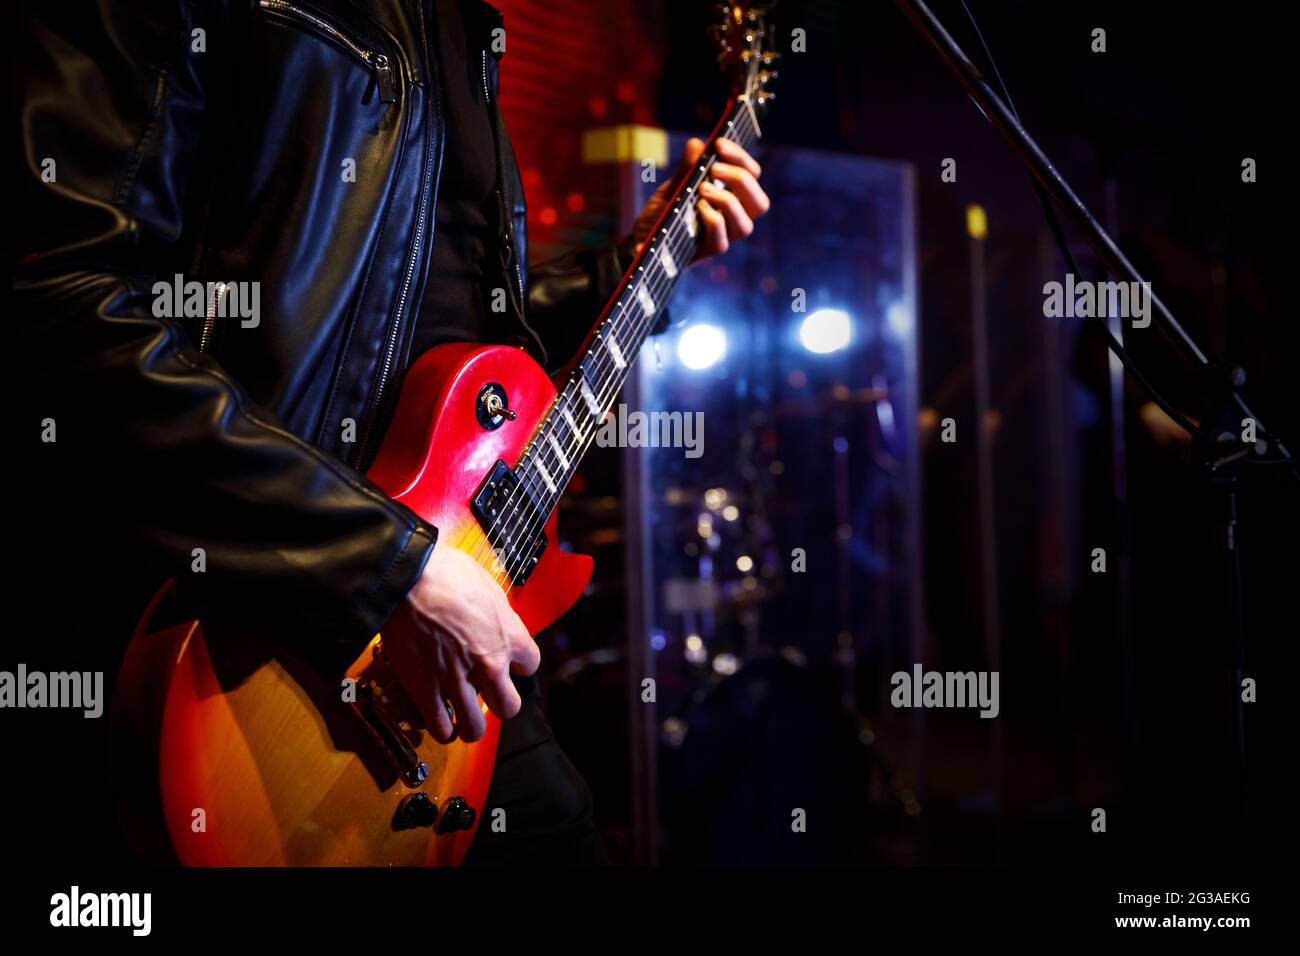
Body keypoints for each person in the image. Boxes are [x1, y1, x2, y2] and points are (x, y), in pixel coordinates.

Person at [10, 0, 768, 865]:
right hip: (236, 636)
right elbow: (63, 299)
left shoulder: (458, 26)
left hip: (408, 656)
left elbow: (447, 350)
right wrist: (384, 564)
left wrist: (628, 263)